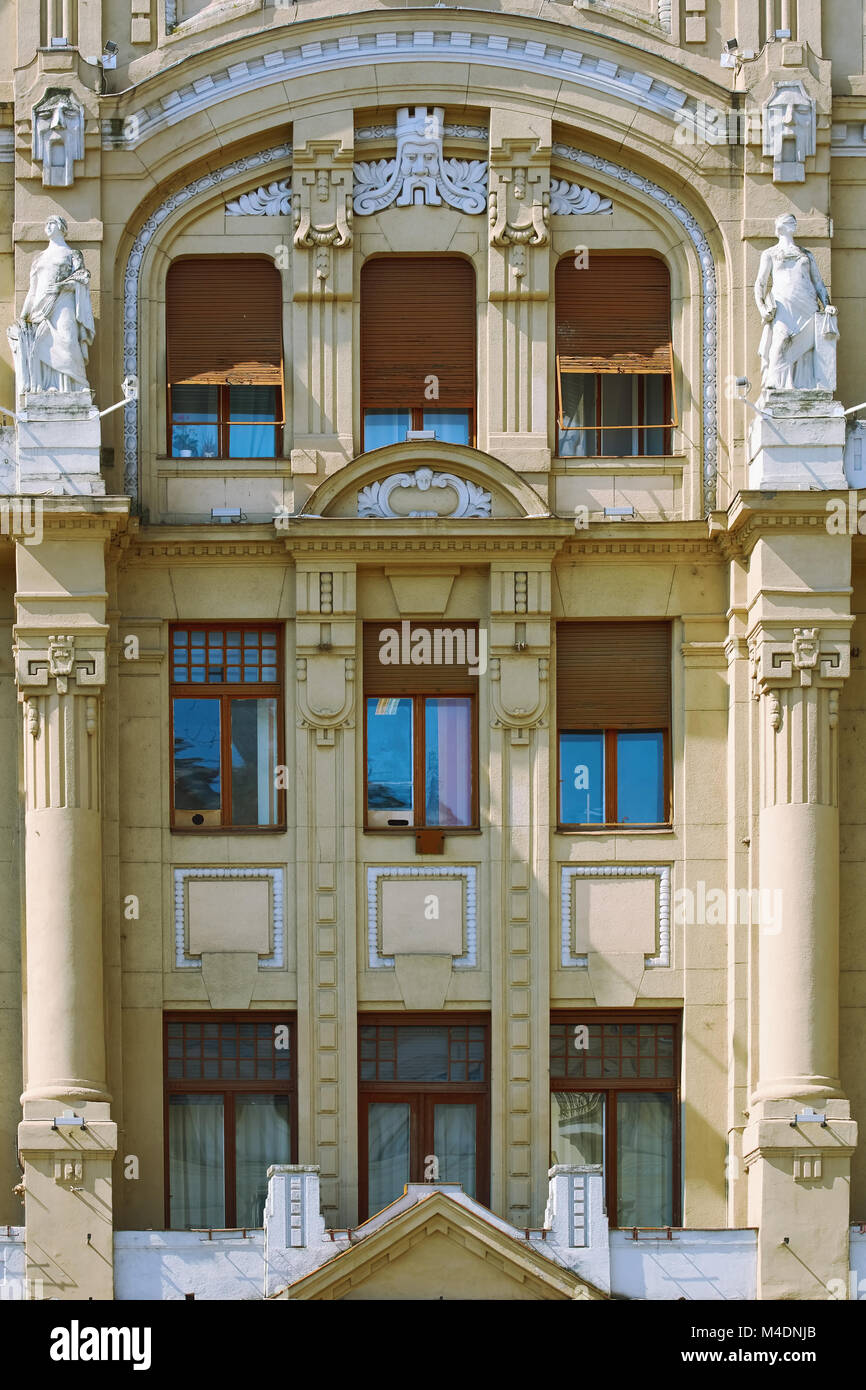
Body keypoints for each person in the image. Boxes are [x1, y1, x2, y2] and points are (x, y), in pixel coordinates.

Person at [7, 215, 94, 396]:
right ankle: (50, 386)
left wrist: (62, 286)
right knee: (43, 345)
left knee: (68, 340)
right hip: (40, 308)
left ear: (61, 227)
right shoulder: (39, 258)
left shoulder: (72, 255)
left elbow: (82, 279)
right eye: (46, 223)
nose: (47, 226)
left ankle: (75, 385)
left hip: (64, 303)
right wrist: (24, 317)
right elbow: (33, 289)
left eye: (51, 223)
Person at [754, 213, 838, 392]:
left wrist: (826, 304)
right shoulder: (770, 253)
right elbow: (760, 284)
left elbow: (818, 282)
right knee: (781, 341)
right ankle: (776, 385)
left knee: (806, 350)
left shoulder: (805, 254)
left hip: (807, 304)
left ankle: (802, 388)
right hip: (783, 305)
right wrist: (762, 308)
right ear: (780, 227)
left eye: (794, 221)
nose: (793, 223)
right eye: (789, 222)